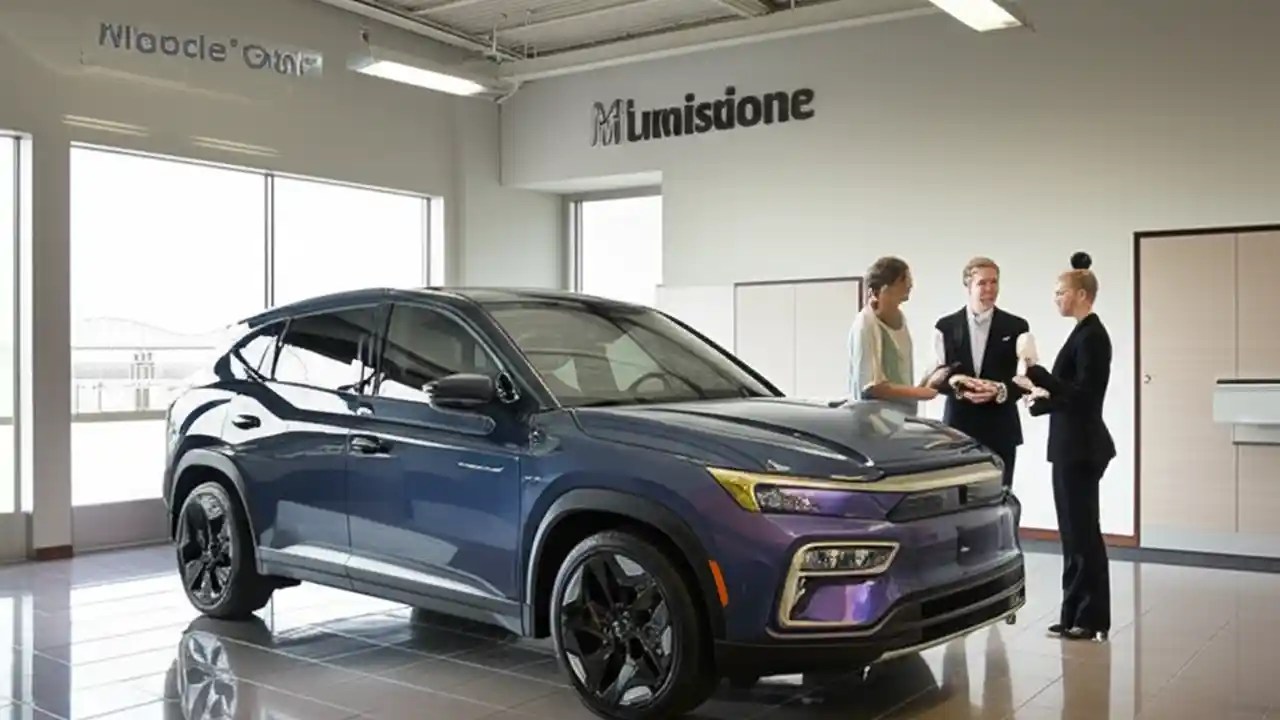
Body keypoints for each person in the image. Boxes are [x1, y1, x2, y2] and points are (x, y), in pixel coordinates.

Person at [1016, 251, 1115, 642]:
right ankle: (1073, 612)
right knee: (1073, 534)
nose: (1056, 297)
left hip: (1082, 448)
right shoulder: (1081, 333)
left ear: (1081, 294)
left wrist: (1040, 376)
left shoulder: (1092, 336)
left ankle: (1089, 618)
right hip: (1071, 446)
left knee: (1082, 534)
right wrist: (1041, 402)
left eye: (1061, 292)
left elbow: (1085, 396)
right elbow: (1069, 394)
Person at [932, 257, 1031, 496]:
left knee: (1000, 495)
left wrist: (1000, 391)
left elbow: (1025, 379)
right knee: (957, 496)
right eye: (982, 283)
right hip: (958, 428)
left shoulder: (1016, 326)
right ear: (968, 286)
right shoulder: (946, 327)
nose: (990, 289)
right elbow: (937, 377)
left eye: (994, 282)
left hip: (1001, 426)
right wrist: (957, 386)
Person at [847, 256, 948, 416]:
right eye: (904, 279)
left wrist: (929, 381)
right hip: (874, 420)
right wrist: (920, 393)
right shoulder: (866, 323)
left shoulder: (900, 319)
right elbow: (871, 387)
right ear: (886, 287)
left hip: (901, 416)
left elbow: (900, 375)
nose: (910, 285)